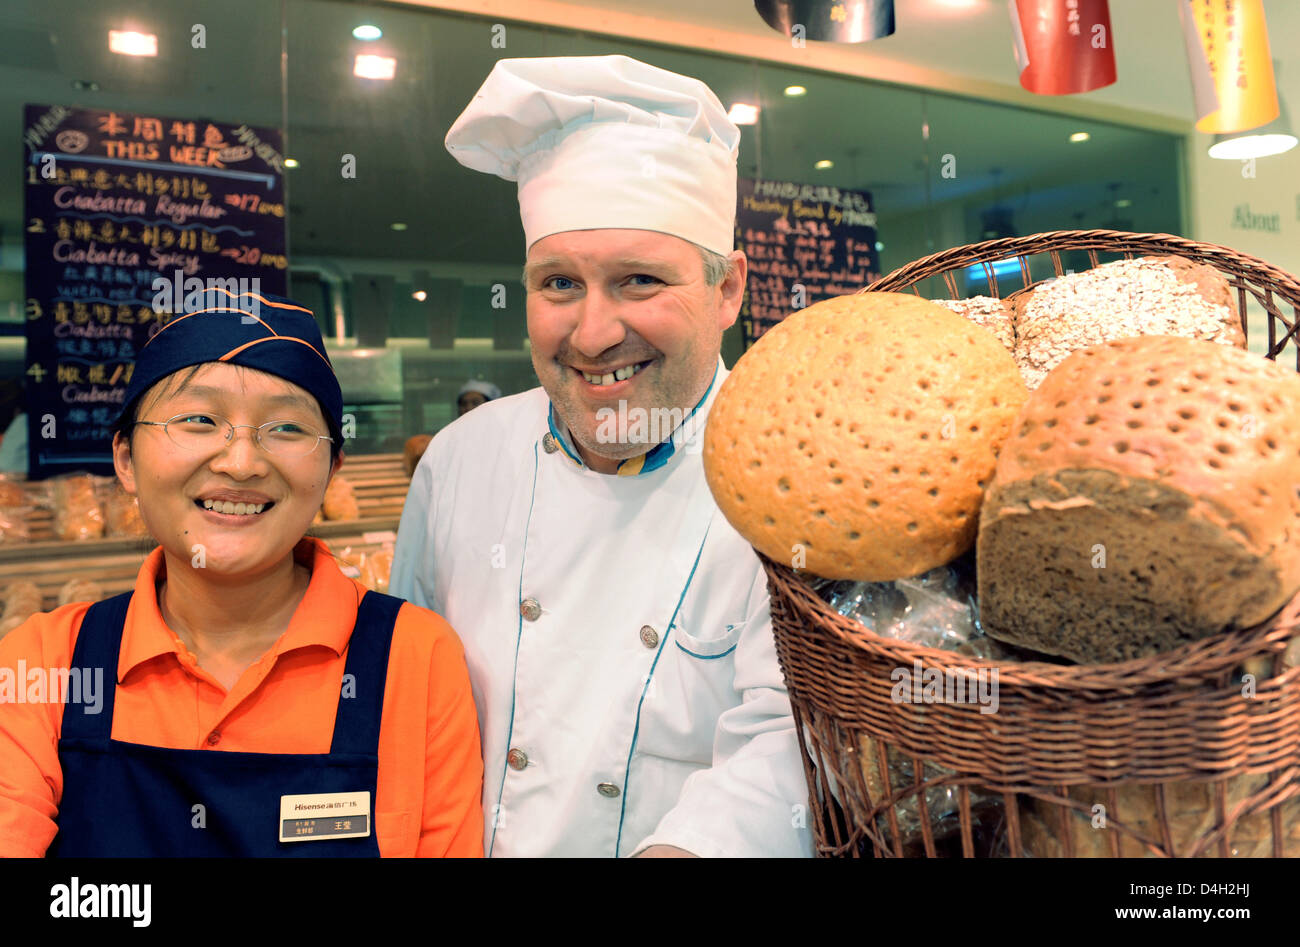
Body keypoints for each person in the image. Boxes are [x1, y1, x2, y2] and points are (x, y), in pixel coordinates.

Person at [391, 55, 813, 857]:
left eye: (639, 280)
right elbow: (411, 693)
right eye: (558, 284)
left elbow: (793, 740)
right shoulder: (460, 460)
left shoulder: (796, 472)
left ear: (728, 290)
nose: (592, 334)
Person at [0, 290, 483, 857]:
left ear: (332, 469)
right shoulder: (47, 661)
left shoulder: (414, 656)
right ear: (126, 460)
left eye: (287, 429)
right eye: (199, 420)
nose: (242, 462)